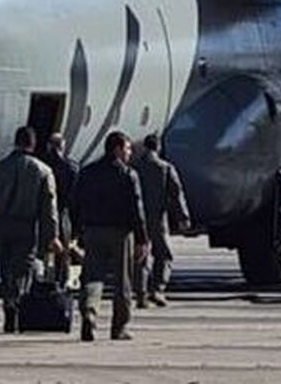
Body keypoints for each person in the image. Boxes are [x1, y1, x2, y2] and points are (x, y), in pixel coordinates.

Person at [70, 131, 148, 342]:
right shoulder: (128, 174)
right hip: (121, 233)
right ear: (117, 149)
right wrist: (142, 239)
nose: (130, 152)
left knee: (92, 276)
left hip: (94, 230)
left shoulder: (88, 172)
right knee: (123, 282)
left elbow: (75, 203)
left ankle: (89, 312)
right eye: (127, 148)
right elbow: (136, 208)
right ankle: (119, 327)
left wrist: (76, 232)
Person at [0, 126, 60, 333]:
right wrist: (52, 236)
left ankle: (8, 302)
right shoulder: (42, 170)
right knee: (23, 269)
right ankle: (15, 304)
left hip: (2, 225)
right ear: (32, 144)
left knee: (5, 268)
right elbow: (48, 207)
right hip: (26, 226)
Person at [132, 134, 192, 308]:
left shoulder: (135, 167)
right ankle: (158, 289)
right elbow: (176, 194)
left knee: (141, 255)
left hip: (138, 217)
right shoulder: (165, 168)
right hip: (158, 218)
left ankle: (141, 293)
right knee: (163, 254)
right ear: (158, 147)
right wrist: (183, 217)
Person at [39, 132, 79, 287]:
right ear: (63, 147)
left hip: (42, 212)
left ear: (49, 146)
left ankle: (39, 283)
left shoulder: (40, 166)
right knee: (63, 252)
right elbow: (75, 198)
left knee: (39, 251)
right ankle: (60, 284)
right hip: (63, 213)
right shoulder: (72, 168)